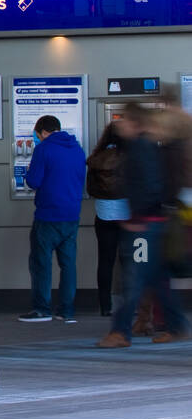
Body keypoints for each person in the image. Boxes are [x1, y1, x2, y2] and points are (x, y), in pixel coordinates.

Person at [99, 104, 189, 347]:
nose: (120, 125)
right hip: (154, 223)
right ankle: (177, 325)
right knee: (159, 278)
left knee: (134, 278)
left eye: (124, 120)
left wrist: (135, 218)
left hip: (143, 227)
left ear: (135, 123)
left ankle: (120, 332)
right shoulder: (151, 148)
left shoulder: (140, 148)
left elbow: (148, 186)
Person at [19, 115, 86, 323]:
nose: (37, 138)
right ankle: (66, 311)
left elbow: (34, 181)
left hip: (48, 215)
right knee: (68, 265)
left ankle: (41, 309)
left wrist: (28, 173)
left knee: (41, 263)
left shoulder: (43, 149)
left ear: (43, 132)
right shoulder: (77, 149)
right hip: (72, 215)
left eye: (37, 135)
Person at [87, 123, 127, 318]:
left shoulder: (96, 158)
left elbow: (90, 189)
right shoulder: (130, 158)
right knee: (130, 261)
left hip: (104, 215)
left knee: (105, 261)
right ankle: (130, 303)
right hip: (129, 216)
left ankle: (105, 306)